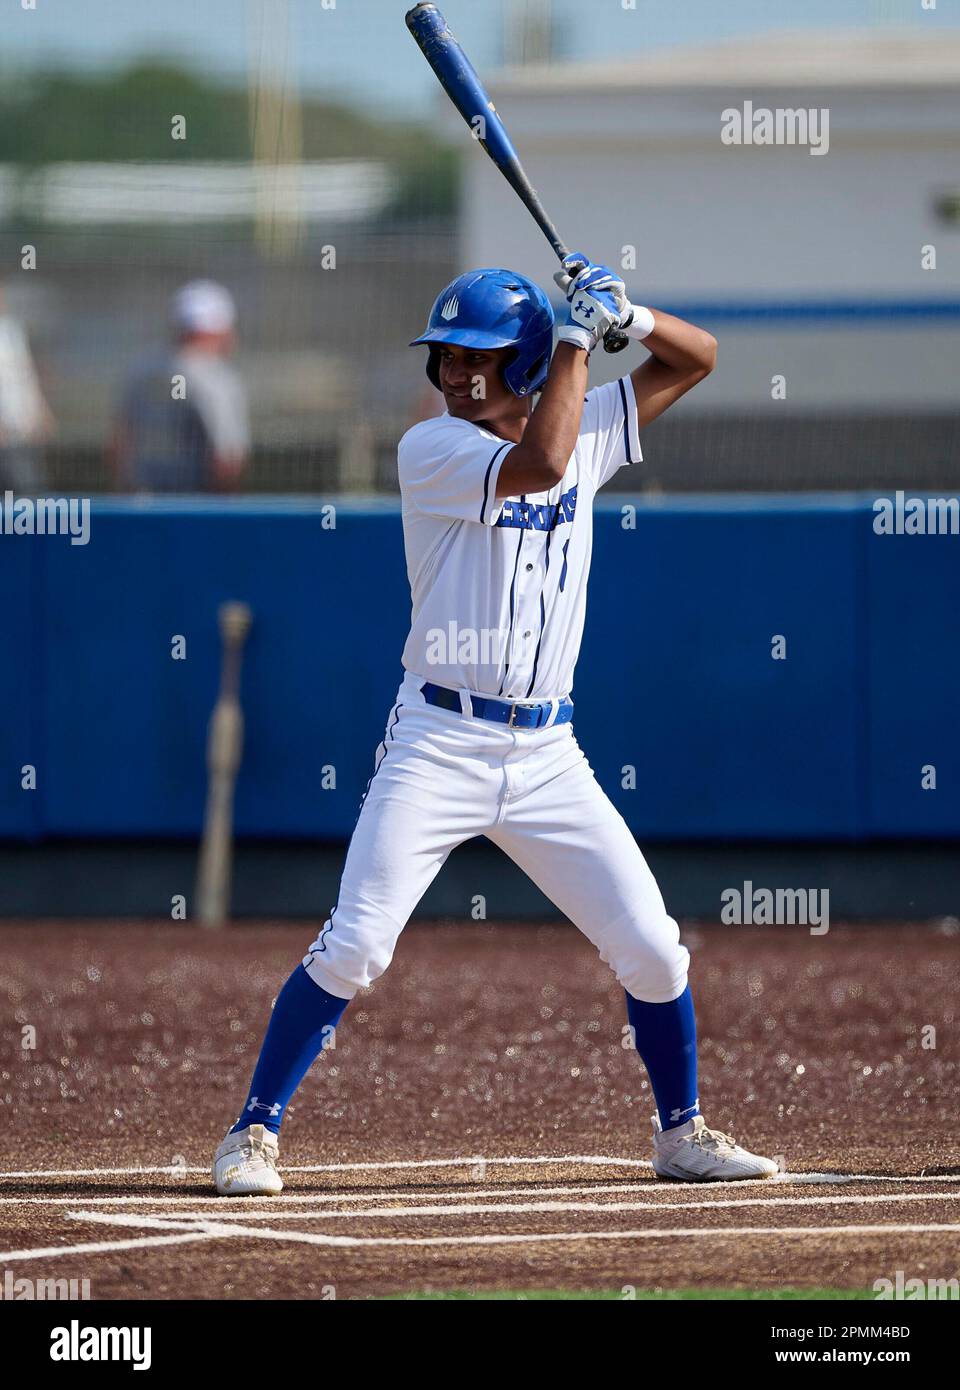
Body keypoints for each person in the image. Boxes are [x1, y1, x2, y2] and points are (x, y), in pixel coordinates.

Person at [212, 256, 779, 1194]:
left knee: (652, 945)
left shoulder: (584, 423)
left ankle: (681, 1133)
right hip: (438, 740)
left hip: (548, 752)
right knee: (357, 943)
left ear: (517, 365)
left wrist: (626, 314)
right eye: (446, 358)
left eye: (477, 357)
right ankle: (252, 1132)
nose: (455, 374)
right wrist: (569, 338)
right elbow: (543, 463)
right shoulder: (432, 450)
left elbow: (699, 358)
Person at [110, 280, 250, 493]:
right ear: (220, 330)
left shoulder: (141, 370)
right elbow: (227, 459)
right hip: (197, 508)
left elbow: (118, 444)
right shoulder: (217, 379)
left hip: (143, 504)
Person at [0, 288, 54, 492]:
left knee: (30, 497)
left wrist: (42, 412)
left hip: (23, 436)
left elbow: (26, 376)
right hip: (5, 440)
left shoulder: (12, 331)